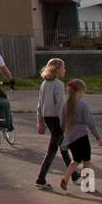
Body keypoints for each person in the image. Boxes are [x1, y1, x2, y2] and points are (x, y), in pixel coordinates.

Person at [35, 57, 75, 189]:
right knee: (52, 149)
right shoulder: (58, 84)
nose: (65, 69)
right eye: (63, 67)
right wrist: (65, 122)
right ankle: (41, 178)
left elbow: (39, 105)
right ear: (57, 69)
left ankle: (74, 174)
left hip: (47, 117)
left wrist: (40, 121)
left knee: (62, 146)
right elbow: (60, 106)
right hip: (57, 119)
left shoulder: (44, 84)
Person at [59, 78, 102, 192]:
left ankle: (65, 178)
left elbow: (62, 123)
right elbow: (90, 122)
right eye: (83, 91)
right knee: (86, 161)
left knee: (75, 160)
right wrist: (98, 137)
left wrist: (65, 134)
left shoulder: (65, 105)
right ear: (79, 91)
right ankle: (87, 185)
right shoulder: (83, 105)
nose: (84, 94)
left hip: (71, 137)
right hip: (82, 136)